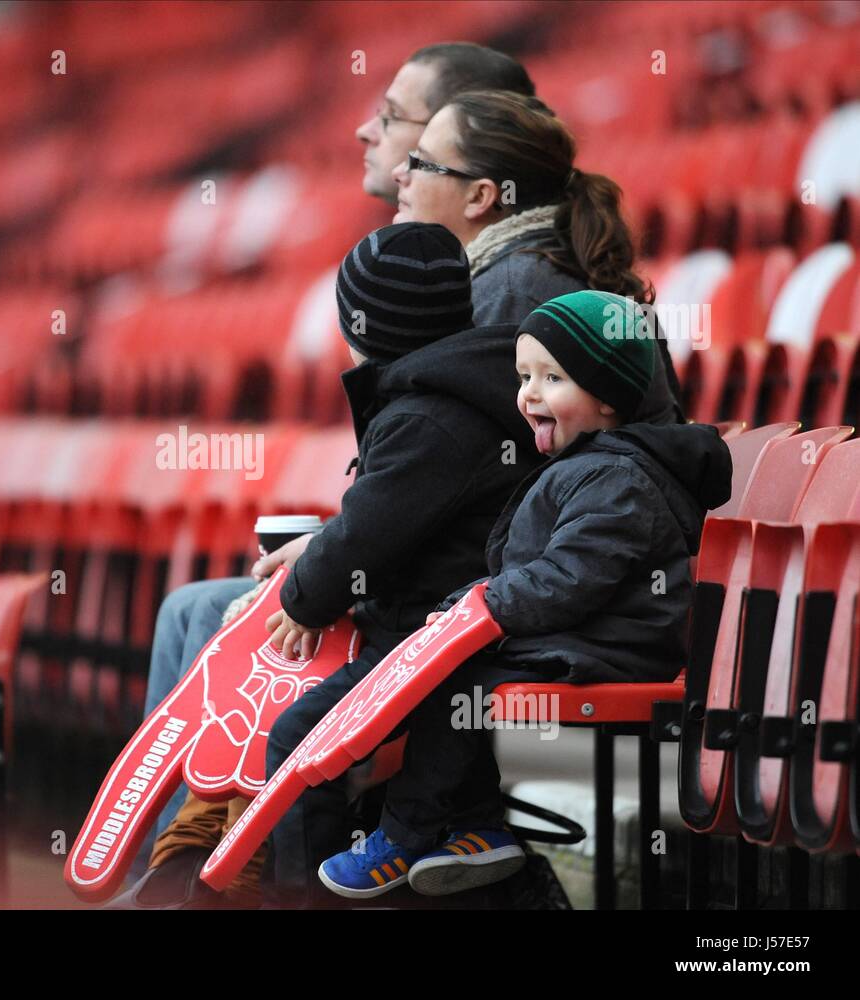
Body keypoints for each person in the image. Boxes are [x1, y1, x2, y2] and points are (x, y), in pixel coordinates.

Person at [124, 42, 541, 899]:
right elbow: (421, 486)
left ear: (479, 186)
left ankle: (225, 869)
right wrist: (329, 552)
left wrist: (326, 573)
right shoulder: (459, 286)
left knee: (218, 622)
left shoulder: (506, 300)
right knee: (203, 610)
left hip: (466, 602)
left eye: (399, 127)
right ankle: (191, 854)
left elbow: (451, 489)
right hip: (434, 578)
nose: (367, 131)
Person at [273, 289, 731, 904]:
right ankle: (475, 828)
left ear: (606, 397)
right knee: (456, 671)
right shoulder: (588, 462)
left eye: (552, 377)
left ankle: (408, 834)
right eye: (523, 377)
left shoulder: (617, 478)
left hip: (618, 647)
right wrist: (470, 603)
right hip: (587, 636)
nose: (528, 394)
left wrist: (481, 608)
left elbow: (567, 579)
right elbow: (536, 574)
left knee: (458, 684)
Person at [392, 88, 684, 418]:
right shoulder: (533, 266)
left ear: (480, 197)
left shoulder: (513, 291)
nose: (400, 173)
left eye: (420, 161)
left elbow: (476, 452)